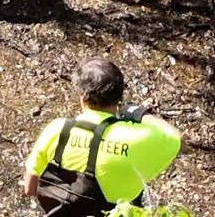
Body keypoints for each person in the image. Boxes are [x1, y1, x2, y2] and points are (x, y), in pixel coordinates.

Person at [25, 59, 182, 216]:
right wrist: (139, 113)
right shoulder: (137, 137)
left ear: (82, 96)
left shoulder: (58, 130)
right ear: (119, 97)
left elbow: (29, 188)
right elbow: (176, 137)